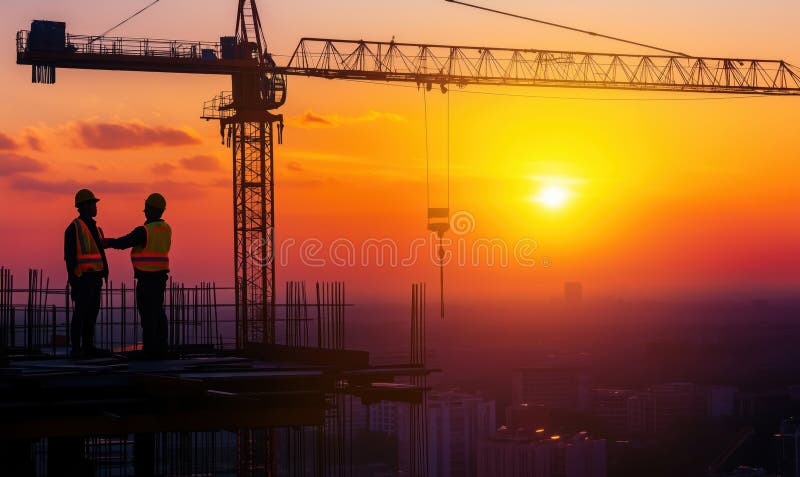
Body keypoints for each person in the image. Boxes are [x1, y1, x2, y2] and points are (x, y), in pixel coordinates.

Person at [106, 193, 171, 357]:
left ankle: (150, 348)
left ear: (149, 209)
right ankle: (161, 346)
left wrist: (108, 242)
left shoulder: (145, 230)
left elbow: (125, 242)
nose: (144, 211)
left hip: (147, 278)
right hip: (160, 277)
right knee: (157, 311)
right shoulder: (166, 228)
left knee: (148, 314)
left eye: (146, 208)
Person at [64, 189, 108, 357]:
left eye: (94, 203)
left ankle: (88, 346)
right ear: (82, 206)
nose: (95, 207)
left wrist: (104, 271)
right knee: (81, 314)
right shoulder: (74, 228)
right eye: (91, 204)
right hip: (83, 279)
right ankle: (76, 348)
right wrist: (74, 281)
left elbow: (99, 252)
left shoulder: (94, 227)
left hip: (95, 277)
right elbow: (69, 259)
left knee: (91, 314)